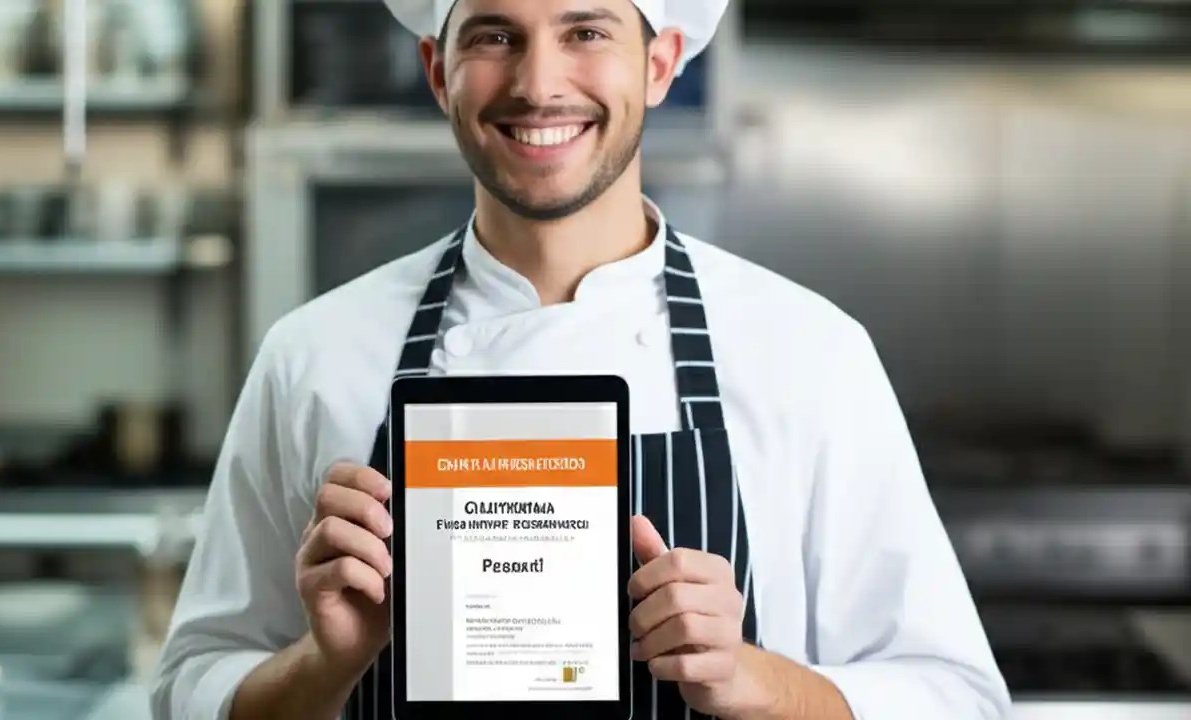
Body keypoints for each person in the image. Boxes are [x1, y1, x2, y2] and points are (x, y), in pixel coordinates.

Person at [151, 0, 1011, 718]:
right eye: (494, 35)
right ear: (439, 69)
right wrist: (323, 663)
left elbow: (957, 698)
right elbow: (190, 685)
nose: (538, 83)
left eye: (587, 31)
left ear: (661, 63)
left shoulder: (808, 353)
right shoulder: (316, 354)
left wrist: (752, 678)